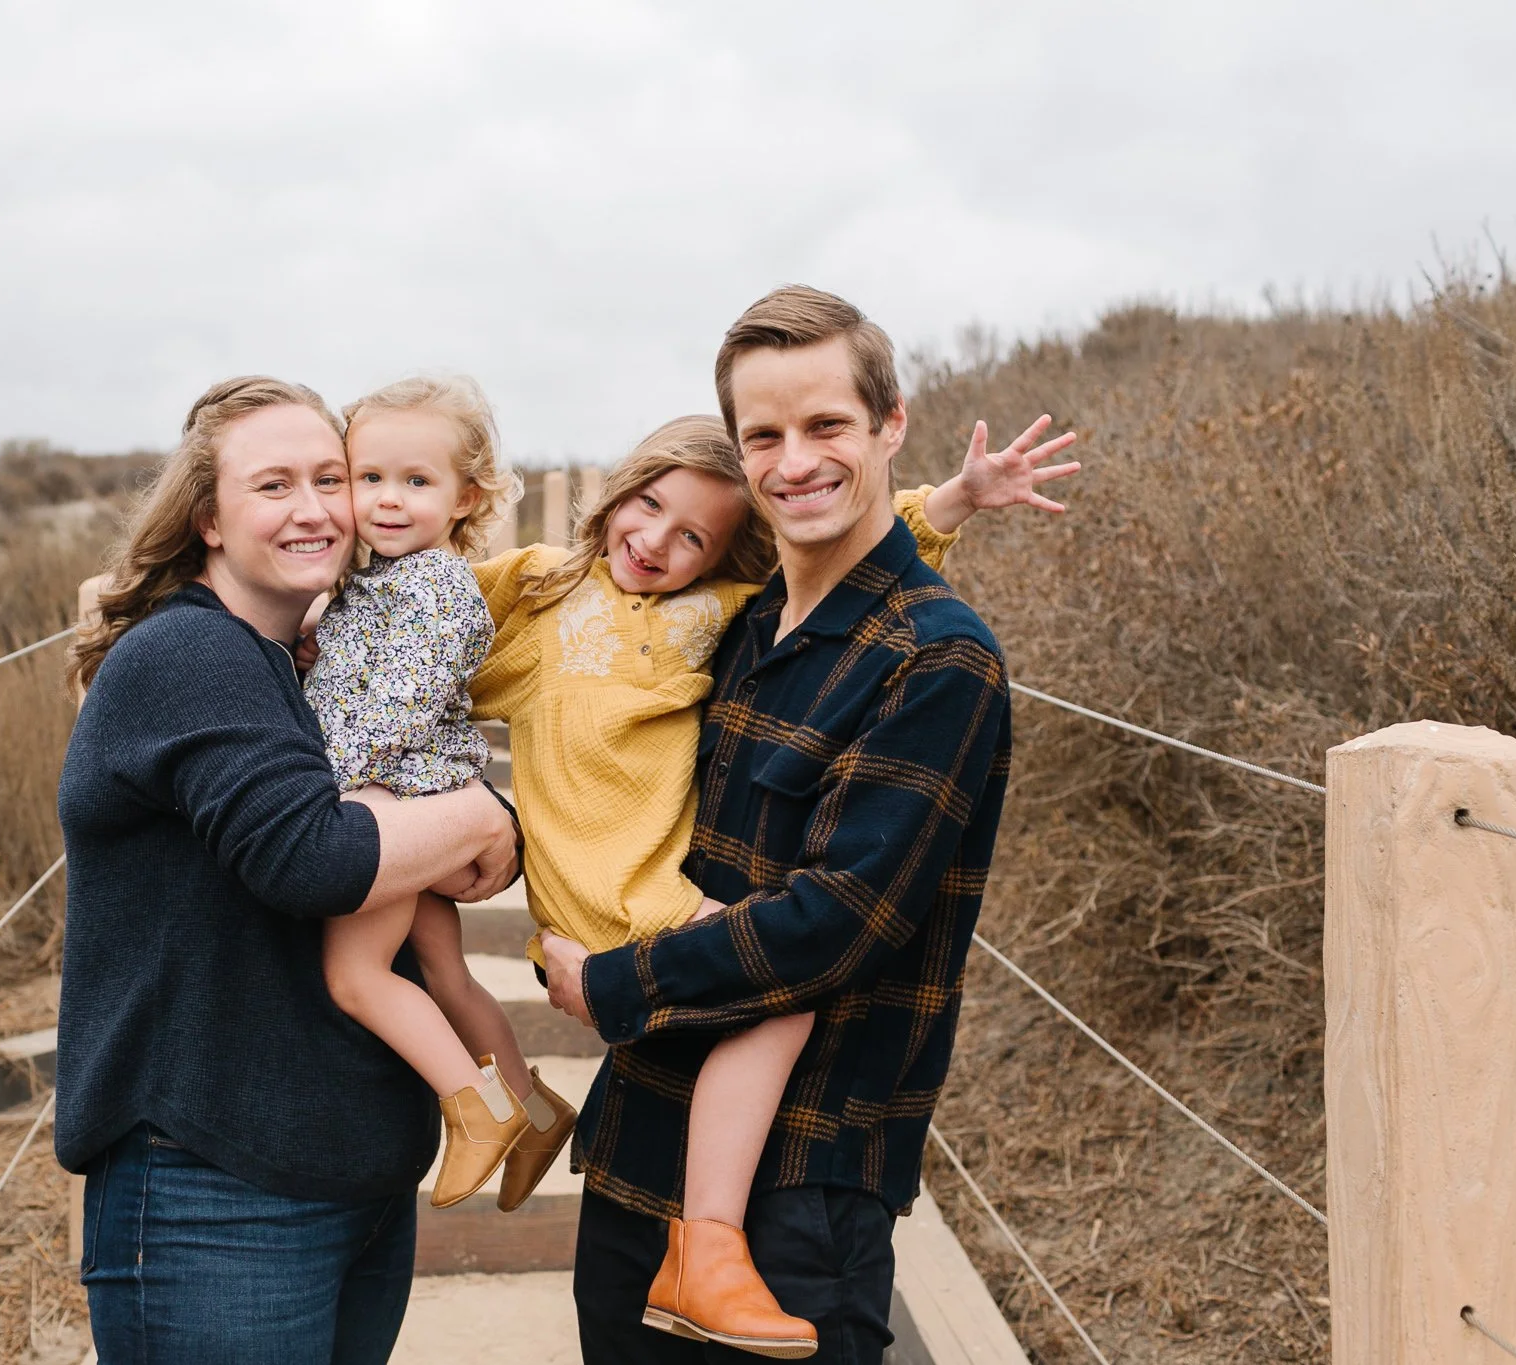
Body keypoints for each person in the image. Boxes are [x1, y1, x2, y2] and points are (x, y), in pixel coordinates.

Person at [543, 285, 1060, 1360]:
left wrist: (615, 984)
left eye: (825, 425)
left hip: (797, 1187)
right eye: (762, 436)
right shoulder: (735, 630)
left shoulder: (935, 659)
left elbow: (838, 920)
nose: (794, 461)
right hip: (641, 1140)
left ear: (889, 426)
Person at [464, 416, 1012, 1355]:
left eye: (694, 539)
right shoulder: (545, 604)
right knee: (775, 996)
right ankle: (697, 1231)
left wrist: (950, 502)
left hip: (666, 927)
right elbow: (423, 628)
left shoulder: (724, 617)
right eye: (648, 507)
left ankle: (702, 1236)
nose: (657, 543)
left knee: (780, 988)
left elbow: (847, 561)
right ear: (617, 491)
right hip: (612, 919)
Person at [55, 375, 520, 1363]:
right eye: (273, 486)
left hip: (353, 1176)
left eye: (328, 477)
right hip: (214, 1193)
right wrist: (483, 811)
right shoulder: (191, 654)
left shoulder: (305, 656)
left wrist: (489, 823)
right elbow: (311, 860)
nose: (314, 509)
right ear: (208, 519)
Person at [308, 375, 571, 1211]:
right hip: (412, 790)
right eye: (369, 477)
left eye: (416, 482)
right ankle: (532, 1111)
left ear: (467, 497)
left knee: (356, 974)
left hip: (393, 795)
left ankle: (475, 1108)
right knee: (446, 975)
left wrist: (317, 783)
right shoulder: (374, 582)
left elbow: (403, 703)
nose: (388, 500)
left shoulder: (432, 584)